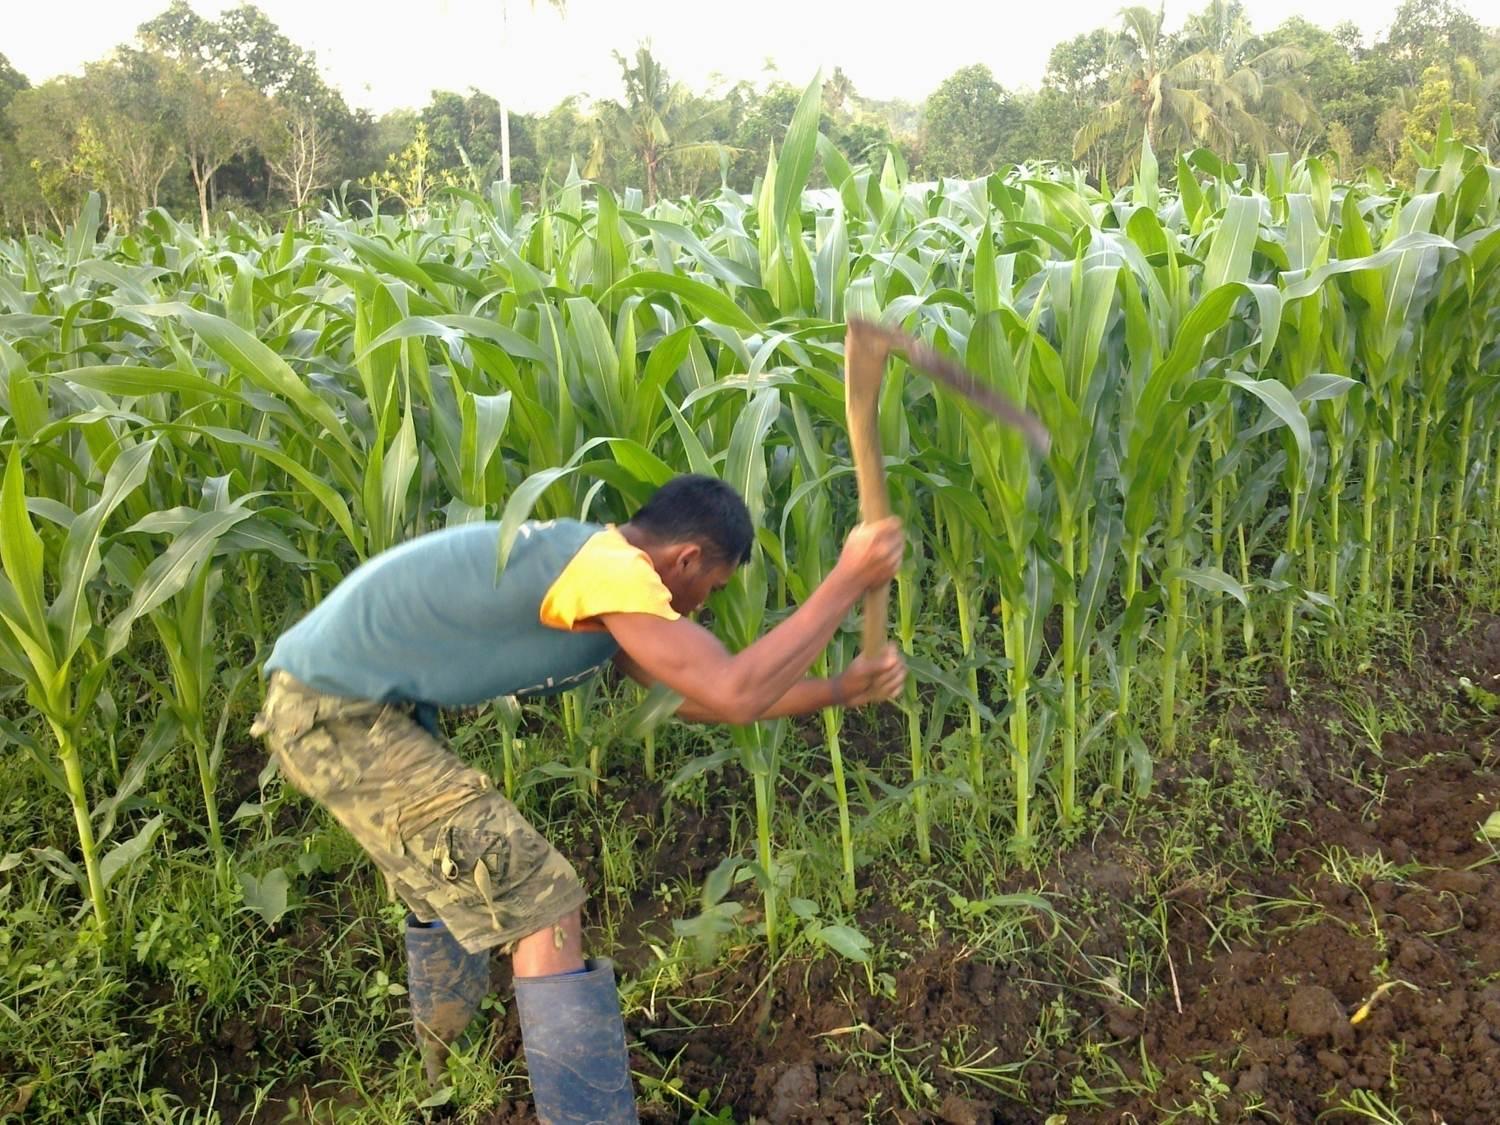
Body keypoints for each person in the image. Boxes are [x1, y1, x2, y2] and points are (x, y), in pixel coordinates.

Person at [250, 474, 905, 1123]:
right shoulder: (613, 567)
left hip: (344, 705)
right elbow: (734, 687)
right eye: (712, 587)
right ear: (686, 558)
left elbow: (700, 700)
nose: (702, 605)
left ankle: (452, 1078)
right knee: (545, 904)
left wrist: (842, 688)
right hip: (336, 714)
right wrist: (849, 577)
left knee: (456, 892)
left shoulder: (600, 580)